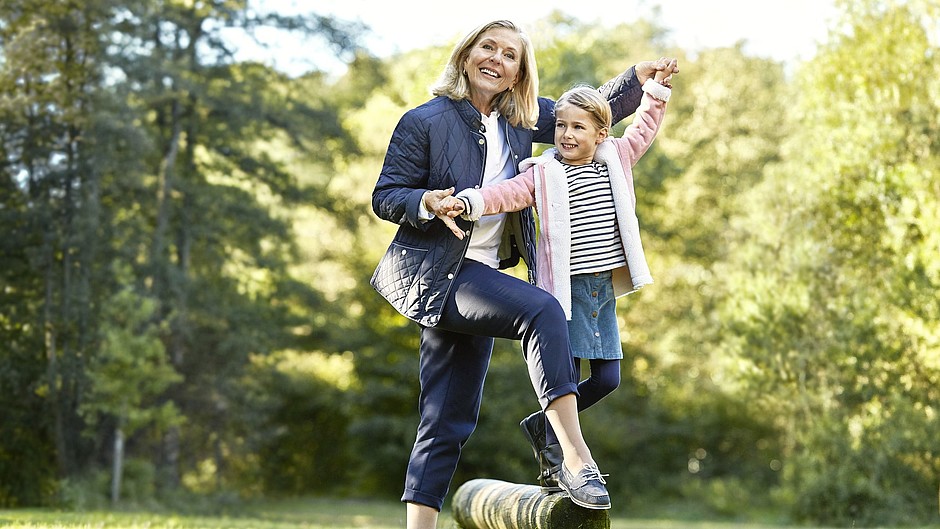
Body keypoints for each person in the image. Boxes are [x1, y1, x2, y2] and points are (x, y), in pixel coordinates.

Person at [370, 18, 678, 528]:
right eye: (487, 47)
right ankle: (574, 459)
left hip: (484, 273)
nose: (496, 58)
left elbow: (585, 115)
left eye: (509, 54)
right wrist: (423, 200)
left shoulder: (521, 119)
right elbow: (386, 195)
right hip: (440, 275)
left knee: (448, 419)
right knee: (541, 309)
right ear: (466, 56)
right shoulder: (424, 120)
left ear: (518, 73)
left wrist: (636, 81)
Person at [439, 63, 675, 493]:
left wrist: (655, 90)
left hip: (600, 290)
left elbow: (643, 128)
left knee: (608, 379)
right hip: (563, 292)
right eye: (561, 125)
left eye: (578, 127)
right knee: (565, 376)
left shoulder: (617, 157)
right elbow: (505, 194)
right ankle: (560, 458)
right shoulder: (543, 173)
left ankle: (543, 425)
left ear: (600, 134)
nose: (566, 134)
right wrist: (469, 202)